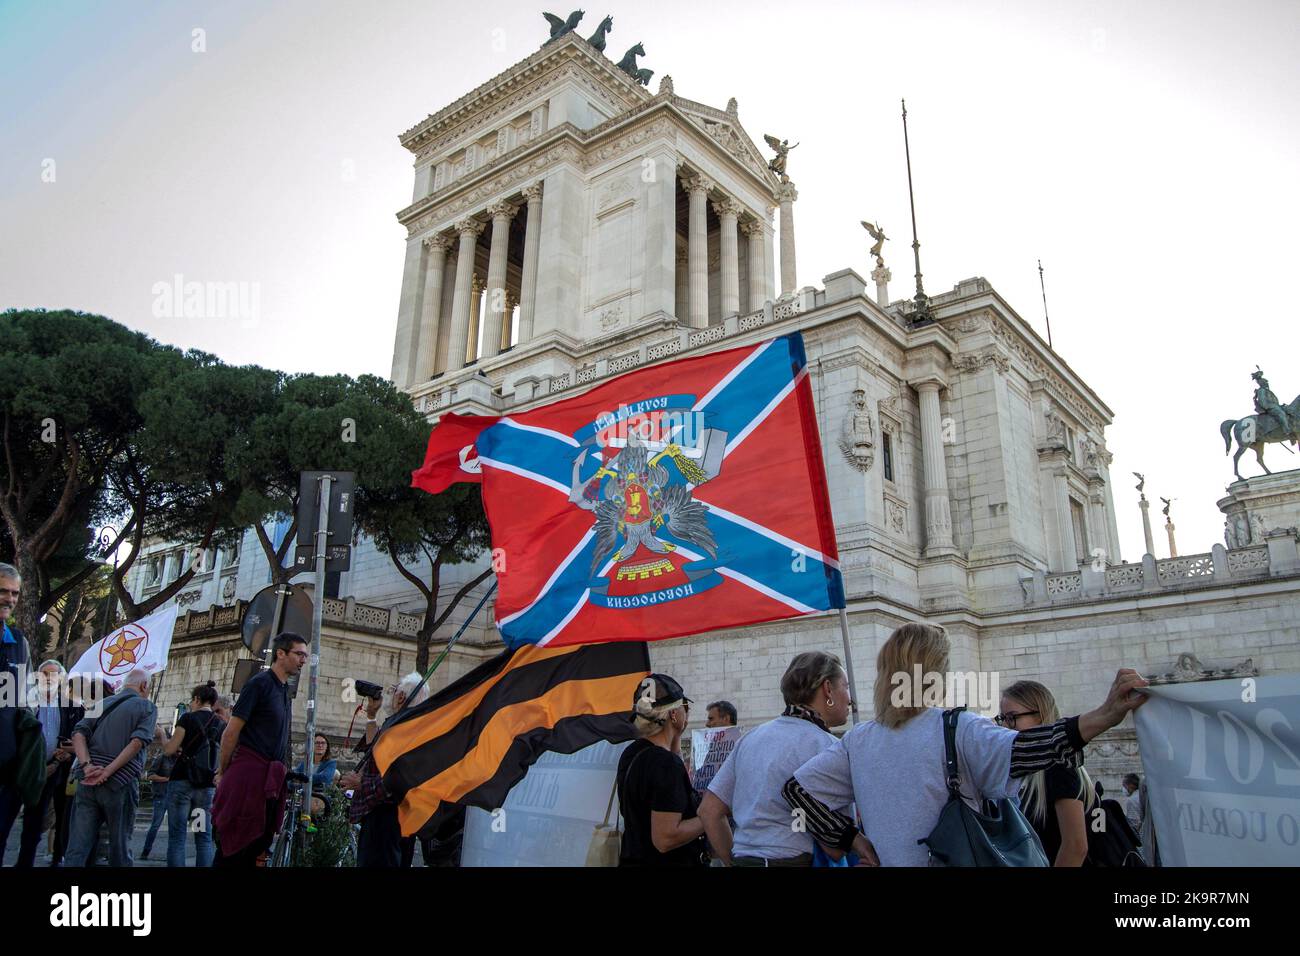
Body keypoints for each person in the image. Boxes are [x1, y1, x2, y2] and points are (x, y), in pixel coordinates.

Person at [783, 622, 1149, 867]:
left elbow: (796, 791)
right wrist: (1104, 715)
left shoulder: (859, 740)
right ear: (935, 673)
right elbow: (1030, 748)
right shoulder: (957, 728)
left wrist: (851, 840)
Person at [699, 652, 867, 867]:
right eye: (845, 686)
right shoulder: (827, 746)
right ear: (827, 689)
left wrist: (731, 862)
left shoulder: (751, 738)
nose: (850, 697)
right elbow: (834, 848)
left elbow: (709, 811)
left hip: (745, 858)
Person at [211, 632, 306, 866]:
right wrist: (223, 772)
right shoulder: (259, 684)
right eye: (299, 654)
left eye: (305, 655)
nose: (303, 660)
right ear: (281, 654)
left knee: (257, 846)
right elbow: (230, 733)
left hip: (269, 780)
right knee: (234, 846)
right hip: (248, 777)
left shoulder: (284, 690)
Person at [64, 669, 158, 867]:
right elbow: (137, 743)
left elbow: (78, 734)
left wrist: (88, 766)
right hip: (120, 783)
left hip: (87, 781)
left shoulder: (100, 704)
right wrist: (107, 771)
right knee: (120, 848)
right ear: (144, 686)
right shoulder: (146, 706)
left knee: (77, 847)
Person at [999, 680, 1097, 866]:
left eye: (1012, 717)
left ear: (1040, 716)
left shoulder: (1059, 768)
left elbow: (1076, 846)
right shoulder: (1028, 772)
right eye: (1002, 718)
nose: (1005, 726)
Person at [338, 672, 429, 867]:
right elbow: (374, 749)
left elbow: (397, 779)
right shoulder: (401, 725)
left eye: (394, 690)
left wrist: (360, 782)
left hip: (386, 817)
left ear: (402, 697)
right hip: (394, 816)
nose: (390, 693)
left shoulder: (404, 731)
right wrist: (371, 715)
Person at [615, 674, 706, 867]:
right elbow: (665, 839)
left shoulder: (632, 753)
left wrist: (675, 735)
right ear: (673, 714)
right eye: (685, 708)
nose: (687, 714)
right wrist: (711, 815)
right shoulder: (665, 764)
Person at [0, 658, 82, 867]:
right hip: (19, 772)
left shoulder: (71, 708)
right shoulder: (23, 703)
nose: (48, 678)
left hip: (51, 773)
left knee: (34, 827)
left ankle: (25, 864)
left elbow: (77, 737)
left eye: (53, 674)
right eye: (44, 674)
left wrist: (61, 758)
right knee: (3, 822)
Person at [164, 681, 226, 866]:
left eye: (192, 700)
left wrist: (161, 737)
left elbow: (170, 749)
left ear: (197, 699)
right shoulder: (220, 724)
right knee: (203, 837)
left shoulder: (187, 719)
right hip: (205, 786)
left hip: (182, 782)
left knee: (177, 837)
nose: (191, 704)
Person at [139, 726, 174, 861]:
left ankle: (172, 854)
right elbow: (150, 775)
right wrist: (166, 779)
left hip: (174, 796)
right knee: (155, 825)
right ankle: (145, 851)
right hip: (161, 795)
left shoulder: (178, 759)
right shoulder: (161, 758)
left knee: (174, 827)